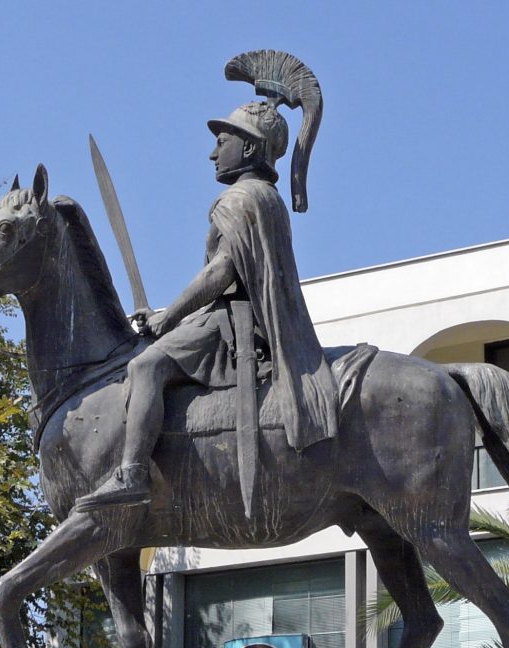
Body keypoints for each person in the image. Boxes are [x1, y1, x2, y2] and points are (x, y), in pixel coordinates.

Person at [73, 100, 338, 513]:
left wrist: (168, 317)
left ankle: (133, 473)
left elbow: (220, 274)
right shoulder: (266, 197)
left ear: (249, 148)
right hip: (238, 318)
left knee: (145, 366)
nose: (213, 153)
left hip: (235, 323)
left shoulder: (238, 198)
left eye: (221, 141)